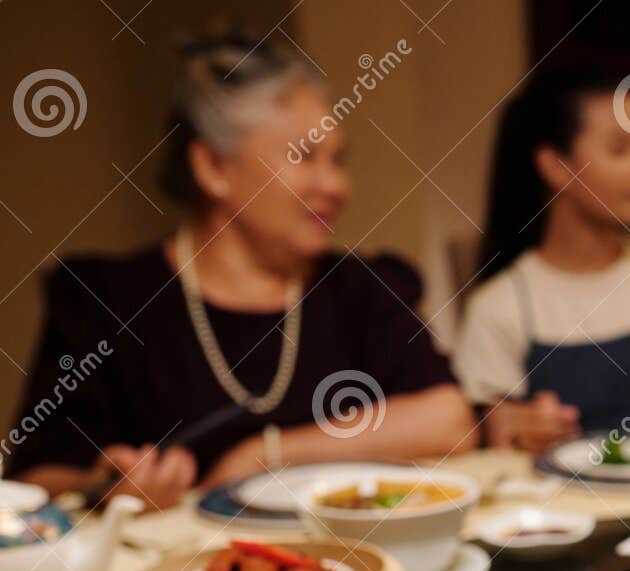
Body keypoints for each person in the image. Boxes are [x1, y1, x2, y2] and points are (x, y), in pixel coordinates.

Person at [3, 35, 476, 511]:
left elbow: (449, 420)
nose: (335, 185)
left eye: (339, 159)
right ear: (212, 168)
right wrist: (105, 485)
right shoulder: (107, 299)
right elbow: (37, 476)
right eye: (304, 156)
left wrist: (263, 455)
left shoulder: (360, 287)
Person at [454, 67, 630, 452]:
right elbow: (498, 464)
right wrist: (523, 431)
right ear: (555, 166)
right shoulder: (500, 306)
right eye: (620, 149)